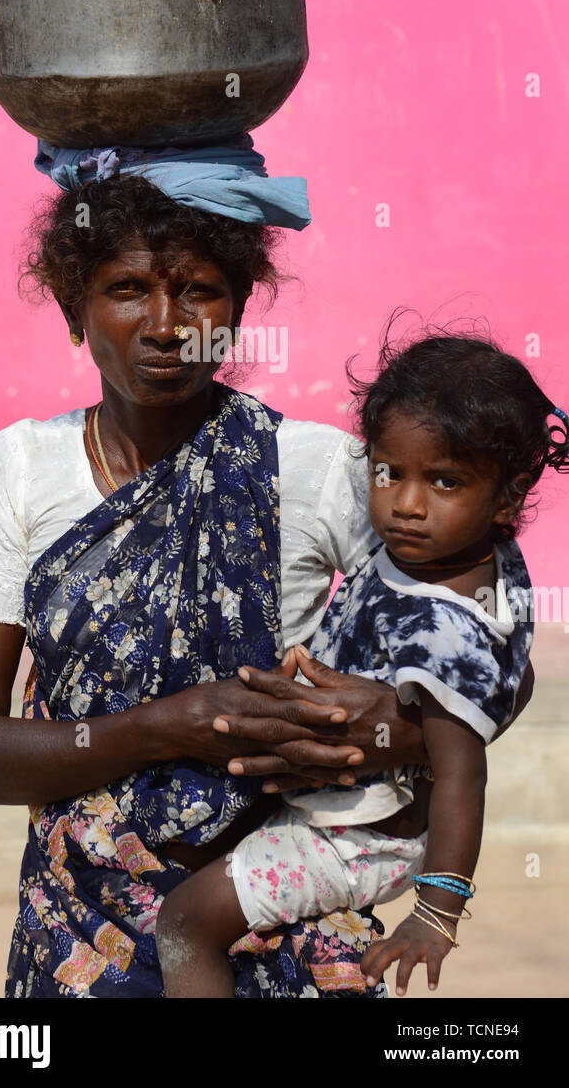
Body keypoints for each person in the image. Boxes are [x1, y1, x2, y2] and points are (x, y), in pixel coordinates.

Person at [0, 139, 446, 999]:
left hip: (281, 911)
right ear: (74, 307)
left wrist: (394, 717)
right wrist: (169, 727)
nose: (167, 324)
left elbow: (473, 668)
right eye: (128, 289)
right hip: (81, 931)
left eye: (198, 290)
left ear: (238, 307)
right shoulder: (21, 468)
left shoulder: (316, 471)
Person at [155, 325, 565, 998]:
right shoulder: (469, 553)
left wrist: (435, 915)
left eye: (444, 481)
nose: (405, 504)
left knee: (186, 919)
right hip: (345, 807)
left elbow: (463, 776)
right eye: (389, 472)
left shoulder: (443, 629)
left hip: (358, 836)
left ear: (510, 497)